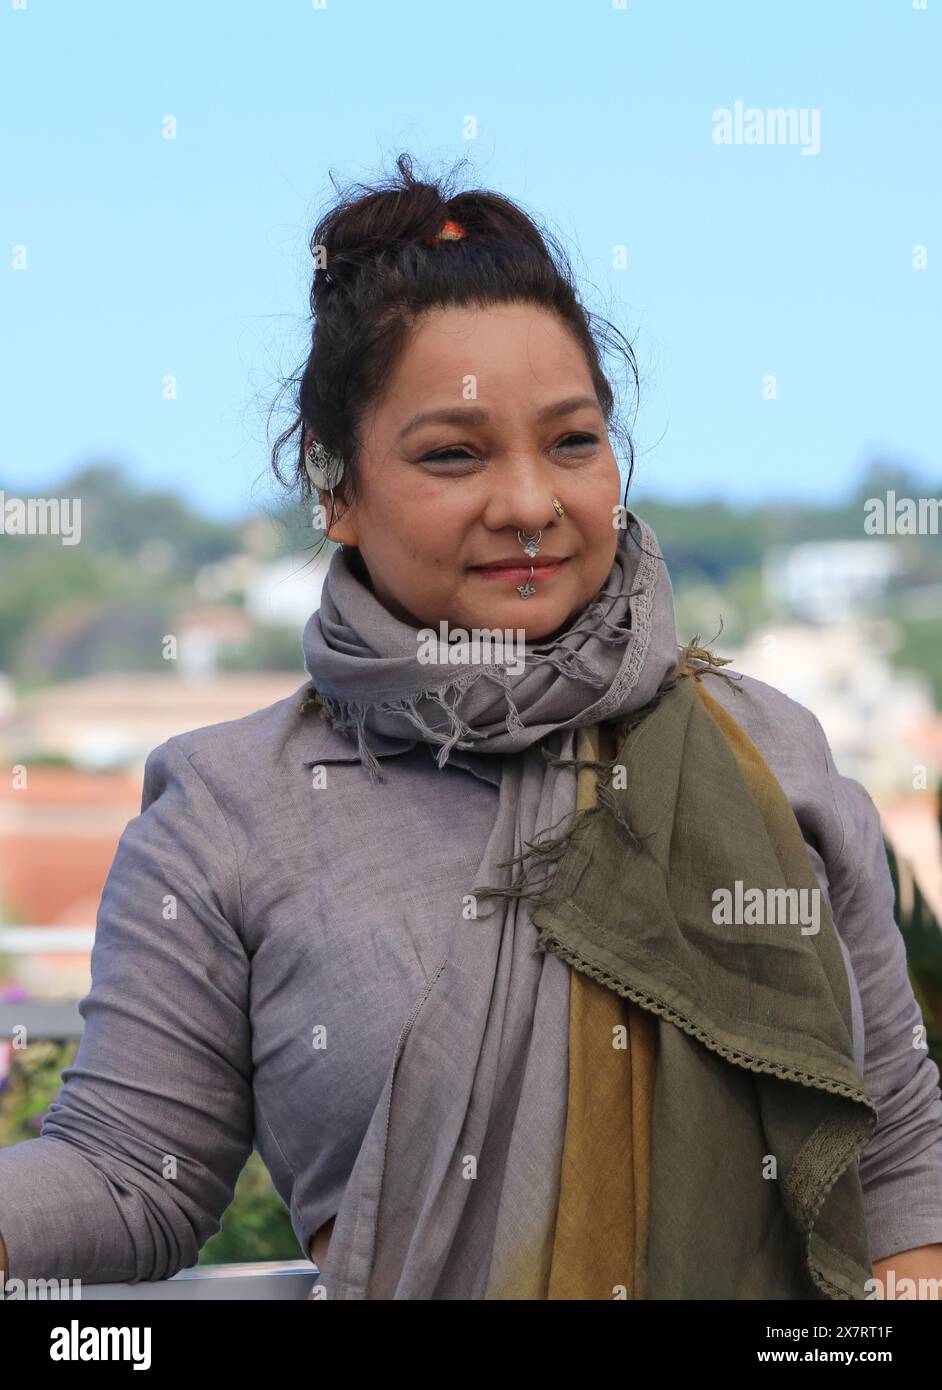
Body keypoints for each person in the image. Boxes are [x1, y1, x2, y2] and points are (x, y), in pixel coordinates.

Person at [2, 153, 941, 1300]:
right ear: (335, 489)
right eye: (453, 453)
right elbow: (126, 1172)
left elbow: (895, 1161)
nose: (531, 504)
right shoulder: (230, 806)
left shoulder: (765, 750)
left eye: (572, 441)